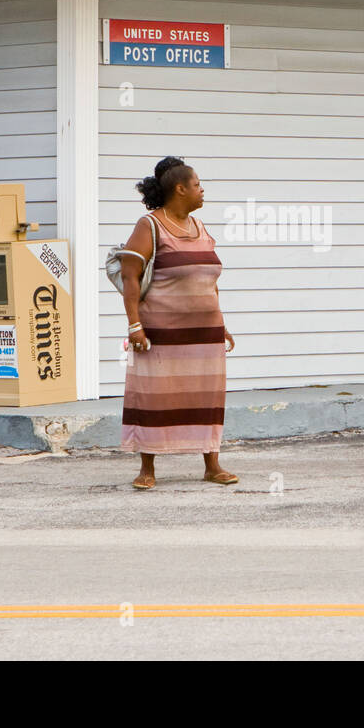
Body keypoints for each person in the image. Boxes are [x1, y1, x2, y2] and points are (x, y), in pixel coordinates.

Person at [118, 156, 237, 490]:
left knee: (205, 398)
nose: (202, 191)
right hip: (160, 333)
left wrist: (221, 323)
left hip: (204, 334)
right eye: (197, 185)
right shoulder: (150, 225)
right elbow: (130, 276)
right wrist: (134, 325)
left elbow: (210, 281)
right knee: (154, 396)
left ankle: (212, 465)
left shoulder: (200, 228)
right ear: (180, 189)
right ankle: (147, 468)